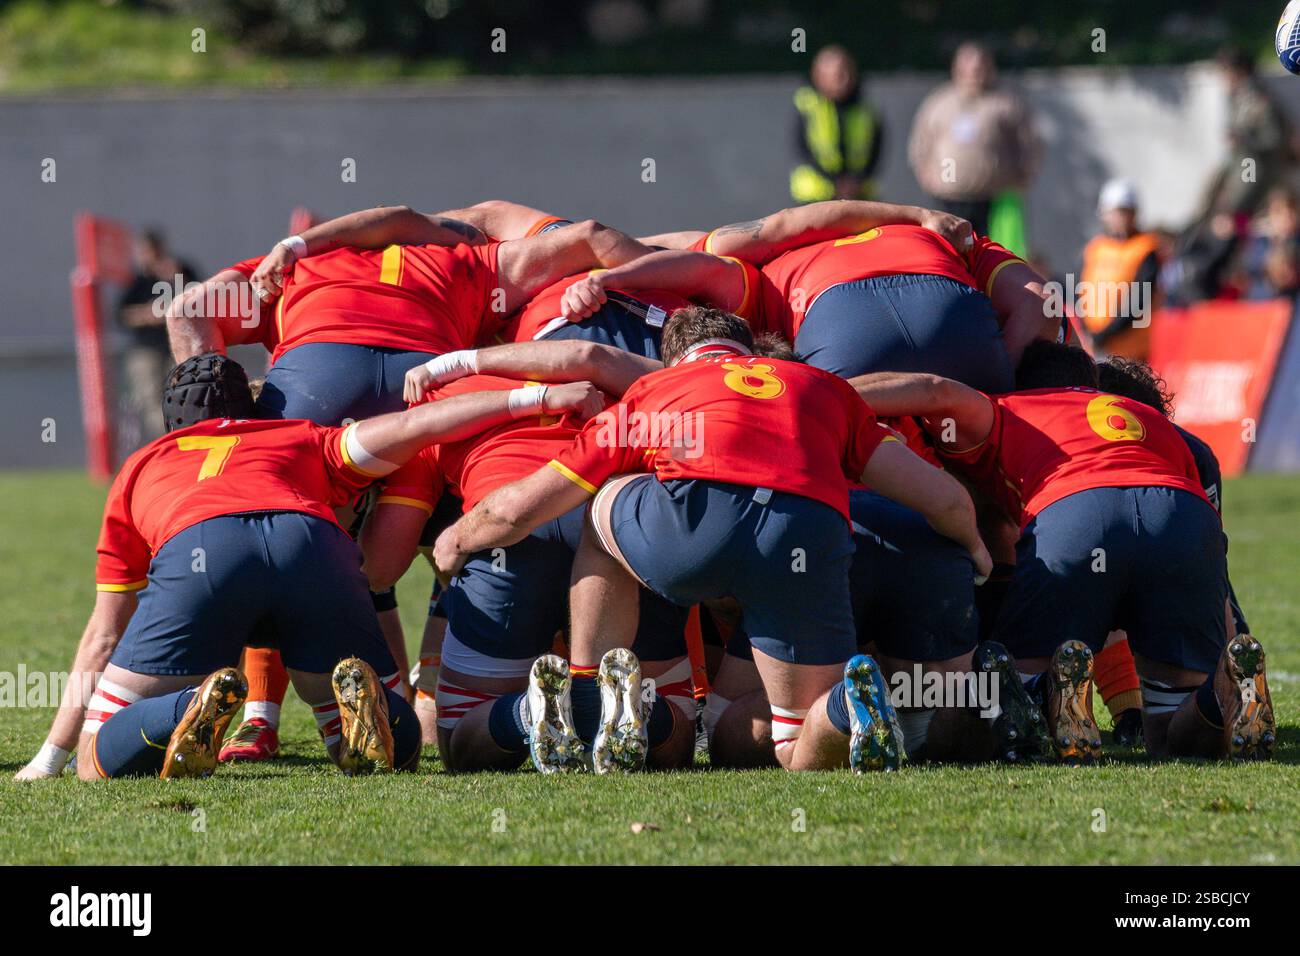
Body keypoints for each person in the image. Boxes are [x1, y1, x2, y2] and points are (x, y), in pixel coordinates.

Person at [166, 205, 651, 759]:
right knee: (408, 563)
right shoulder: (476, 260)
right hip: (431, 401)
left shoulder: (302, 262)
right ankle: (421, 701)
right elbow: (589, 239)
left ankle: (254, 714)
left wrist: (223, 433)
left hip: (316, 382)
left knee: (274, 535)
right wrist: (651, 276)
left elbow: (188, 309)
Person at [432, 307, 991, 774]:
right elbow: (941, 498)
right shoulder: (821, 387)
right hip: (804, 534)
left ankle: (588, 690)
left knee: (602, 502)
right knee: (792, 746)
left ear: (676, 357)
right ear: (751, 352)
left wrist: (457, 538)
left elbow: (523, 504)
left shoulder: (656, 388)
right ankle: (844, 711)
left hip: (689, 524)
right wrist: (977, 549)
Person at [13, 353, 606, 781]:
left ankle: (182, 709)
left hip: (205, 550)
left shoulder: (145, 463)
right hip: (313, 546)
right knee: (371, 737)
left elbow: (104, 632)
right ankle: (362, 718)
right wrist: (537, 397)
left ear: (174, 428)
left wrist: (51, 757)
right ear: (255, 407)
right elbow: (416, 425)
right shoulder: (297, 435)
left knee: (96, 757)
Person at [849, 342, 1275, 764]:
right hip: (1182, 518)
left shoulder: (1011, 408)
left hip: (1078, 510)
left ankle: (1049, 687)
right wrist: (1224, 647)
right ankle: (1224, 696)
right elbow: (1213, 551)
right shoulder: (1148, 418)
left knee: (1012, 688)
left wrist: (824, 393)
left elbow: (934, 388)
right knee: (1166, 730)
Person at [364, 340, 698, 772]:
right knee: (678, 737)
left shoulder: (439, 403)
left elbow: (383, 563)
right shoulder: (614, 384)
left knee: (462, 745)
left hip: (509, 536)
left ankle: (525, 713)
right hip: (613, 524)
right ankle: (640, 711)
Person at [907, 42, 1039, 249]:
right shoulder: (938, 103)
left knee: (993, 257)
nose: (973, 74)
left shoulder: (1006, 104)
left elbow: (1029, 144)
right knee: (952, 255)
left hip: (995, 201)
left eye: (980, 68)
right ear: (955, 69)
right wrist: (925, 174)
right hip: (948, 200)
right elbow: (921, 144)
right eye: (967, 68)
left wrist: (1024, 176)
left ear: (990, 69)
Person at [116, 229, 199, 442]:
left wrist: (175, 278)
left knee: (184, 392)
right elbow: (121, 315)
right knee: (150, 399)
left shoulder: (180, 271)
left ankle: (185, 437)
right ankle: (165, 441)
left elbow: (201, 296)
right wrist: (147, 314)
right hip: (147, 349)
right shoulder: (138, 282)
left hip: (178, 345)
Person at [1077, 179, 1164, 361]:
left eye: (1126, 211)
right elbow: (1082, 293)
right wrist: (1087, 333)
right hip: (1095, 347)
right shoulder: (1096, 248)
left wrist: (1103, 336)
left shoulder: (1145, 248)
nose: (1121, 218)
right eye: (1117, 212)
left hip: (1129, 352)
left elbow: (1138, 302)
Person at [790, 45, 884, 204]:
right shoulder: (808, 105)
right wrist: (835, 181)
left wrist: (857, 180)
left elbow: (877, 147)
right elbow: (803, 148)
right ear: (818, 76)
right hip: (815, 196)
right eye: (838, 75)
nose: (845, 80)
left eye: (848, 73)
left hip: (860, 194)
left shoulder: (865, 108)